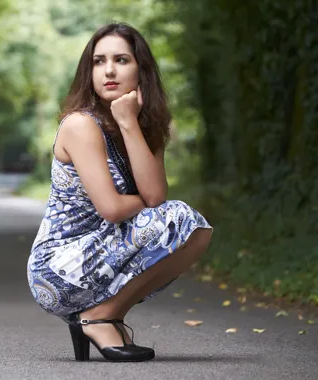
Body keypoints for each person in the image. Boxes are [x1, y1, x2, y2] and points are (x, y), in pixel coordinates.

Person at [26, 22, 213, 362]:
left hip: (103, 250)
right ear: (89, 72)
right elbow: (113, 208)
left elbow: (155, 197)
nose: (108, 70)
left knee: (195, 229)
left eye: (121, 60)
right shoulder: (80, 125)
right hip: (59, 265)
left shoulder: (144, 126)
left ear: (141, 69)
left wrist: (128, 123)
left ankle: (104, 315)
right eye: (98, 62)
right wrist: (145, 199)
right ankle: (98, 319)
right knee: (177, 217)